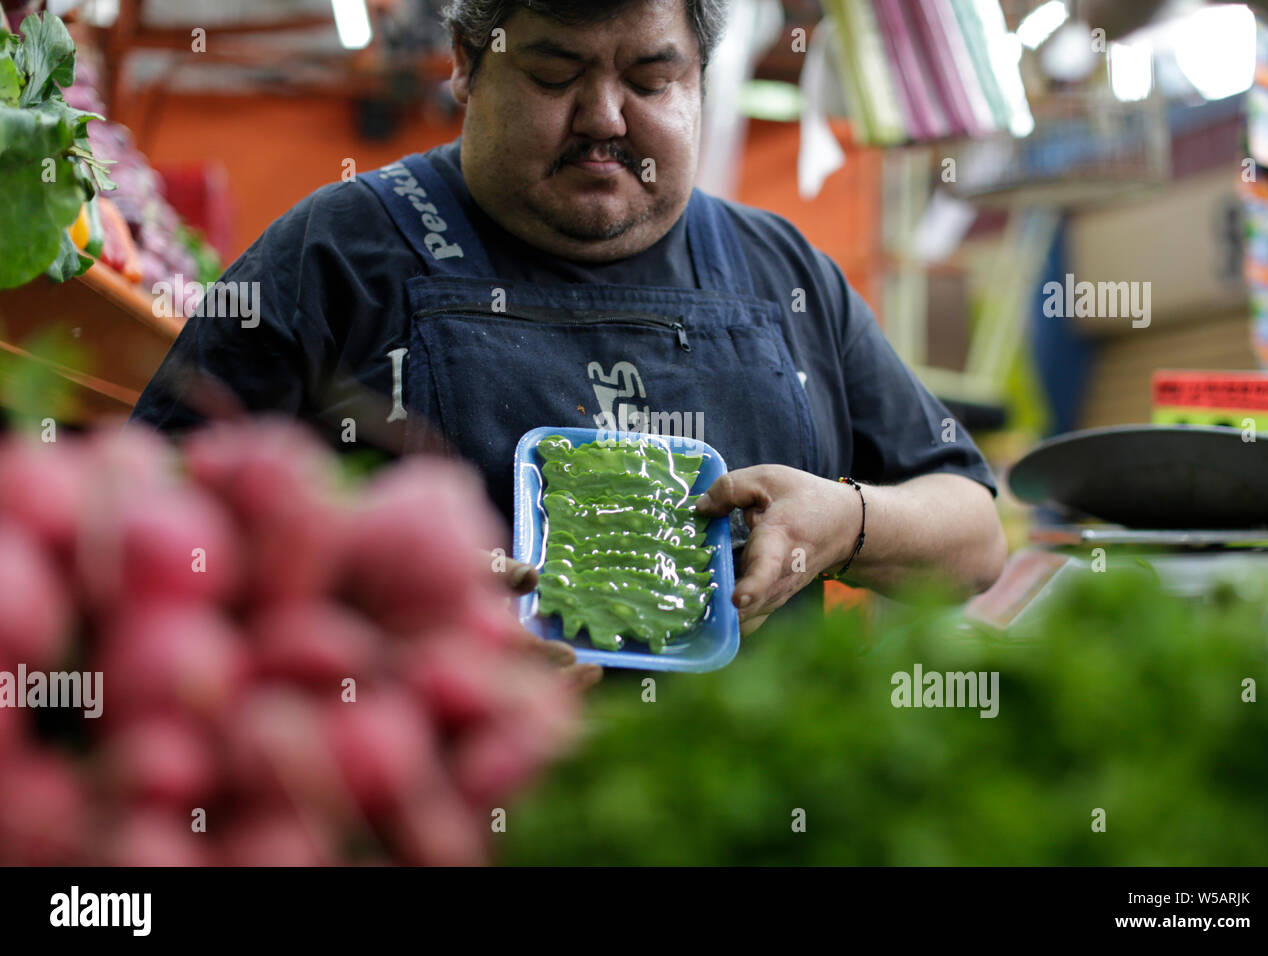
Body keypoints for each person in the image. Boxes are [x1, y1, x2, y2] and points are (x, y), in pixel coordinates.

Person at [131, 0, 1006, 645]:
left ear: (699, 78)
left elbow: (973, 531)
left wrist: (848, 524)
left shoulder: (784, 273)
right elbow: (152, 529)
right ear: (468, 62)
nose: (604, 119)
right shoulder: (338, 252)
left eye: (651, 80)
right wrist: (377, 588)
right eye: (555, 74)